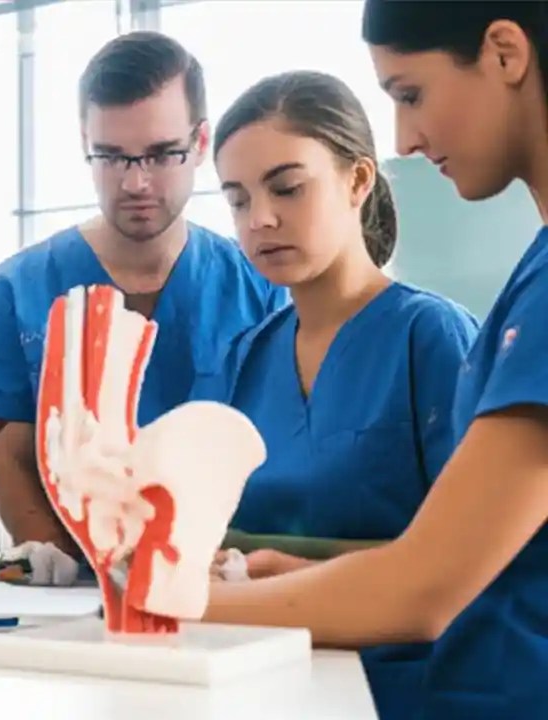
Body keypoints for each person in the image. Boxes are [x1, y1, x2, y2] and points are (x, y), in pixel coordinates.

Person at [201, 2, 548, 717]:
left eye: (410, 94)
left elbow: (425, 586)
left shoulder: (437, 332)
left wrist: (175, 606)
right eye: (237, 199)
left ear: (507, 54)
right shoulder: (532, 282)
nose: (406, 139)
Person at [0, 31, 288, 585]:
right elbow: (9, 458)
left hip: (226, 588)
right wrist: (76, 580)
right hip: (75, 593)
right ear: (85, 141)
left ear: (201, 143)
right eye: (110, 157)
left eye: (161, 154)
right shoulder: (17, 290)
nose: (136, 182)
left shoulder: (262, 289)